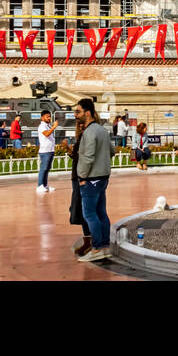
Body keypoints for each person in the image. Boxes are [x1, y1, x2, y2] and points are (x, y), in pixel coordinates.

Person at [75, 97, 114, 262]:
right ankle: (105, 246)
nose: (75, 115)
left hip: (91, 179)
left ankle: (97, 248)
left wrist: (81, 176)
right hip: (103, 177)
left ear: (88, 112)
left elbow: (88, 156)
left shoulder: (90, 132)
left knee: (90, 214)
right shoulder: (102, 130)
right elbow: (112, 151)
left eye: (78, 111)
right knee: (101, 213)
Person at [68, 104, 93, 257]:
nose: (80, 126)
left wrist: (82, 178)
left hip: (81, 178)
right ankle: (87, 241)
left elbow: (86, 158)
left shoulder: (87, 136)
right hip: (77, 176)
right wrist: (69, 150)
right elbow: (78, 158)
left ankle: (91, 242)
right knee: (79, 210)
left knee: (84, 211)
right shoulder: (81, 137)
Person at [36, 109, 57, 193]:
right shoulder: (42, 126)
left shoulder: (47, 125)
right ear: (42, 117)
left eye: (49, 117)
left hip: (50, 150)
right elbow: (47, 134)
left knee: (47, 168)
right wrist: (54, 127)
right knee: (43, 168)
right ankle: (40, 185)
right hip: (45, 151)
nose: (49, 118)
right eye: (47, 117)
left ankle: (45, 185)